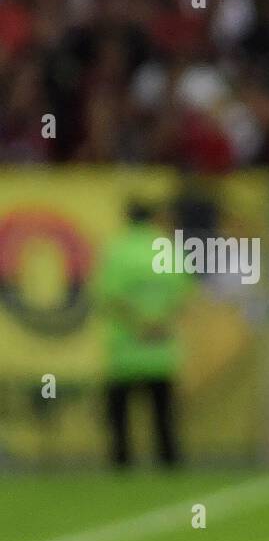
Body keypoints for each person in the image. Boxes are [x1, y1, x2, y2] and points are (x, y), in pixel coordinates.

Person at [92, 200, 192, 468]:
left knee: (120, 418)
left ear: (127, 217)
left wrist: (138, 325)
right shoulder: (168, 248)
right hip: (161, 350)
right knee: (163, 417)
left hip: (125, 351)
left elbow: (109, 297)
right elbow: (183, 294)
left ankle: (121, 464)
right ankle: (169, 465)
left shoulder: (116, 249)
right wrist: (157, 324)